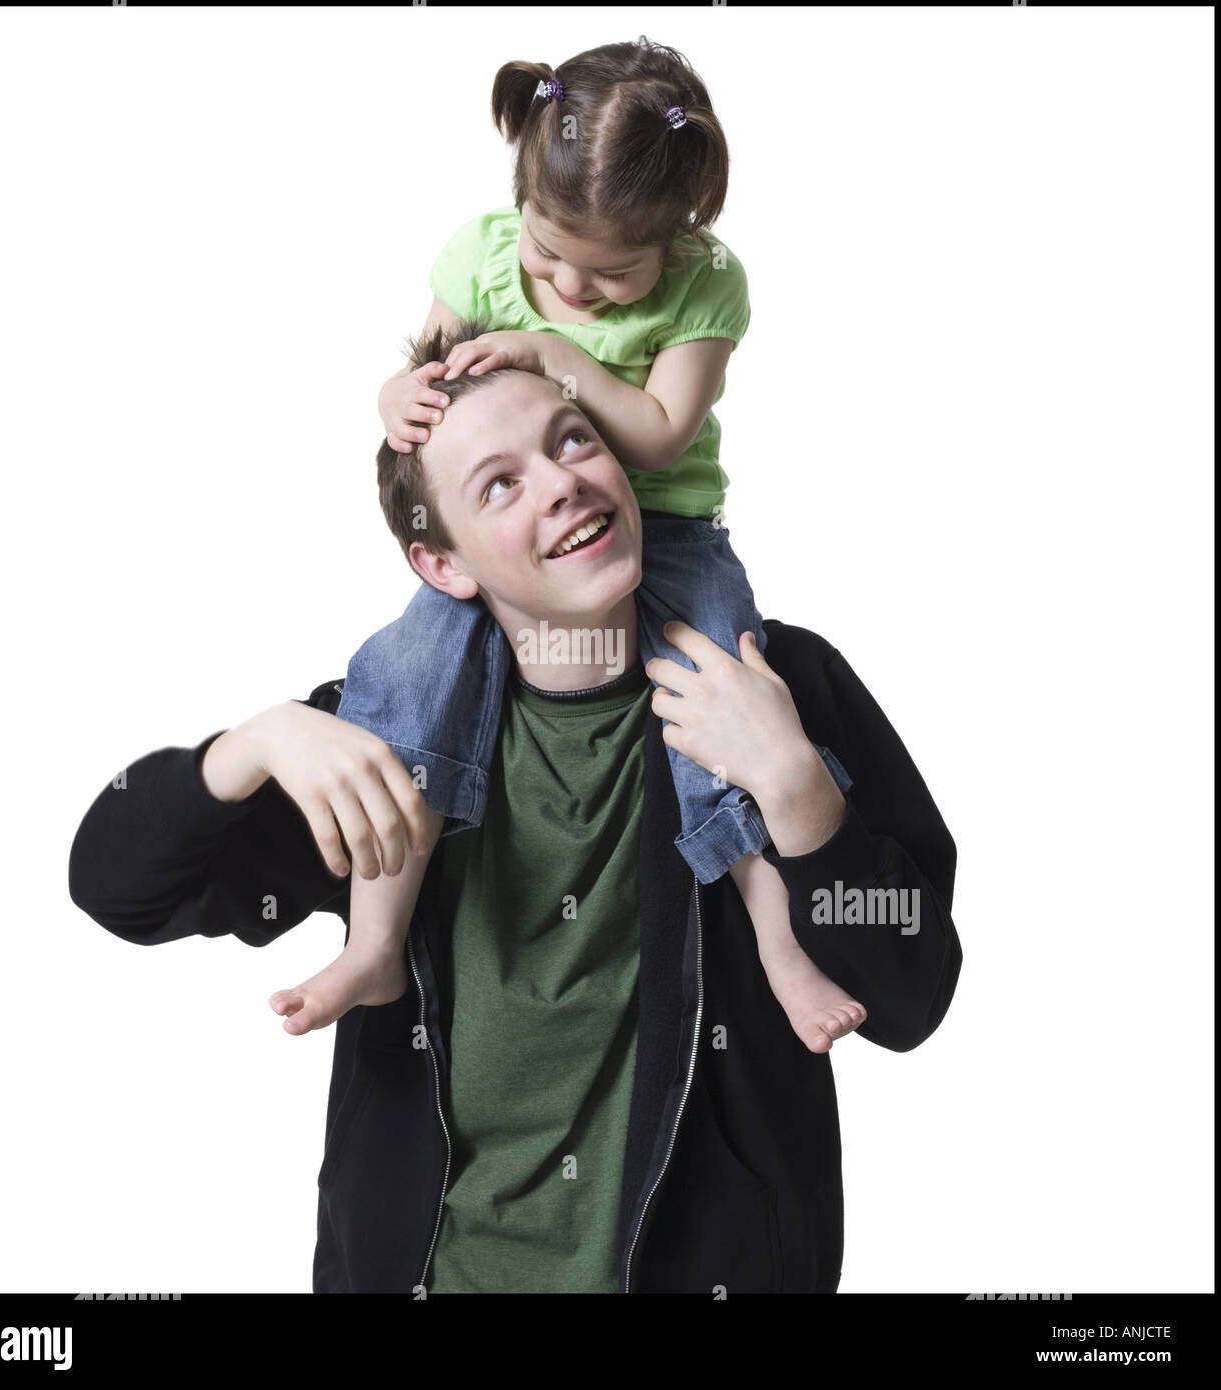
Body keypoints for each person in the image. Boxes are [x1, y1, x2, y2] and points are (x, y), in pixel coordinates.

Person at [68, 335, 962, 1293]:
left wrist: (795, 788)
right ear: (441, 565)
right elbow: (118, 888)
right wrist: (246, 748)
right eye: (498, 485)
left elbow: (913, 994)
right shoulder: (386, 738)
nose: (561, 484)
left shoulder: (775, 683)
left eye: (573, 440)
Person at [294, 35, 868, 1054]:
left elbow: (655, 434)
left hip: (668, 530)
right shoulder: (478, 253)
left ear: (678, 234)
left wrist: (561, 363)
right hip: (518, 561)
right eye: (547, 253)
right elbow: (428, 382)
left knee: (723, 699)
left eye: (612, 274)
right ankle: (376, 935)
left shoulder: (703, 285)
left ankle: (782, 942)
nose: (569, 283)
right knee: (405, 676)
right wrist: (393, 394)